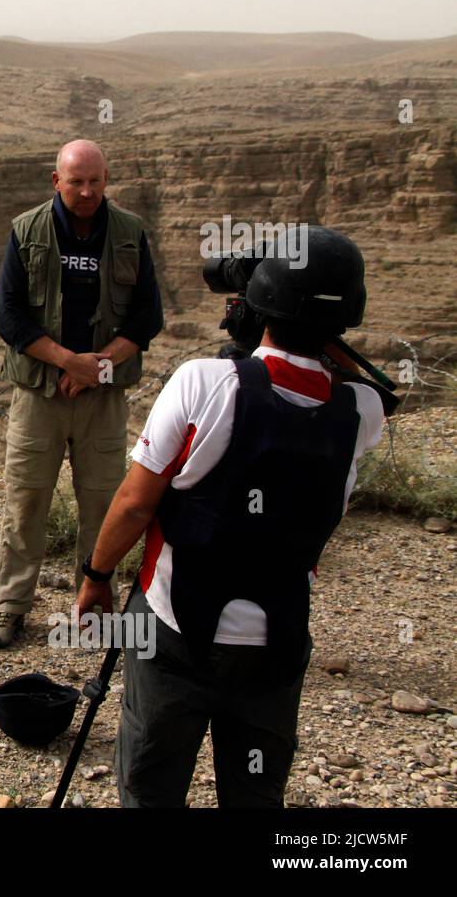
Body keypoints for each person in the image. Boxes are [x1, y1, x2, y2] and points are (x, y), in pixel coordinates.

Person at [76, 225, 388, 807]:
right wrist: (316, 329)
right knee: (255, 796)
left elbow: (136, 501)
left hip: (172, 628)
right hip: (276, 641)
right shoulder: (363, 411)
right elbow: (332, 384)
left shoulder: (203, 381)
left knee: (150, 783)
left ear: (258, 300)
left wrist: (96, 576)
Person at [0, 139, 163, 648]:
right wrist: (68, 362)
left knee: (104, 504)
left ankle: (95, 611)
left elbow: (147, 318)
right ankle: (10, 605)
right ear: (55, 180)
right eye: (75, 181)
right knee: (26, 501)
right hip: (40, 392)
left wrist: (97, 366)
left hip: (102, 396)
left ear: (107, 179)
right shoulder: (27, 231)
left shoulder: (129, 233)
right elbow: (9, 316)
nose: (86, 192)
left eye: (95, 181)